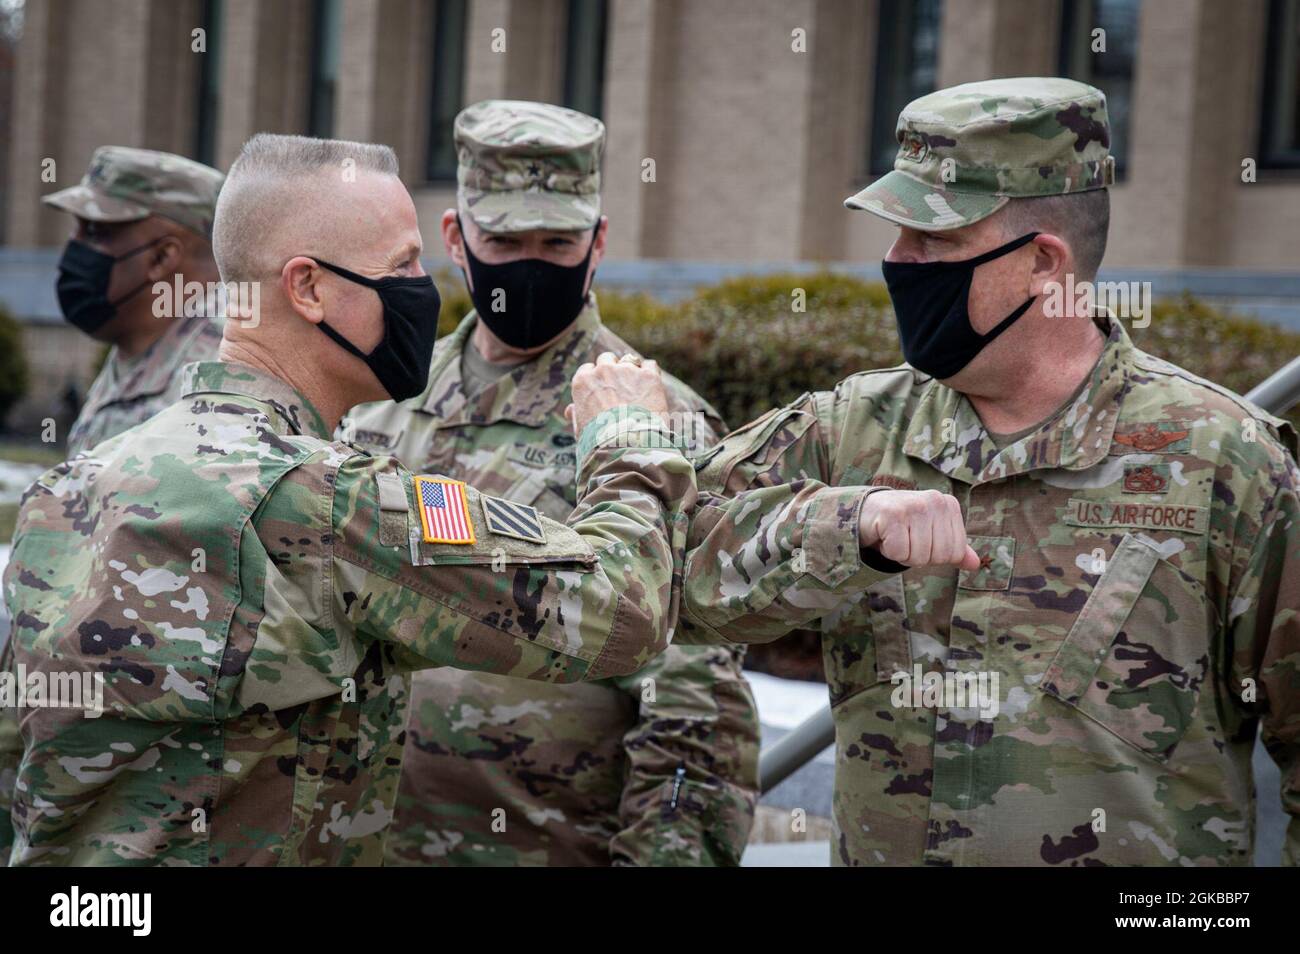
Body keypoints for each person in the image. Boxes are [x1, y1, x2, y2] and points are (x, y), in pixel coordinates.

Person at [0, 133, 693, 866]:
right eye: (401, 267)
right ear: (308, 288)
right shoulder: (330, 505)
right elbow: (625, 610)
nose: (425, 290)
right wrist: (628, 434)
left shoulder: (77, 481)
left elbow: (20, 747)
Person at [679, 77, 1300, 866]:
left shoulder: (1226, 462)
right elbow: (662, 577)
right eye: (898, 235)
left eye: (933, 242)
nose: (898, 263)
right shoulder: (847, 430)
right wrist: (839, 531)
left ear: (1044, 263)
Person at [345, 100, 759, 867]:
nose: (529, 264)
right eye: (504, 240)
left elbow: (696, 715)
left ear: (597, 244)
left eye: (557, 242)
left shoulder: (656, 424)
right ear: (455, 239)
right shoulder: (377, 403)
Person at [44, 146, 225, 457]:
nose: (74, 245)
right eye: (78, 228)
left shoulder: (214, 380)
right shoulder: (140, 345)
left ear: (163, 256)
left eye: (96, 231)